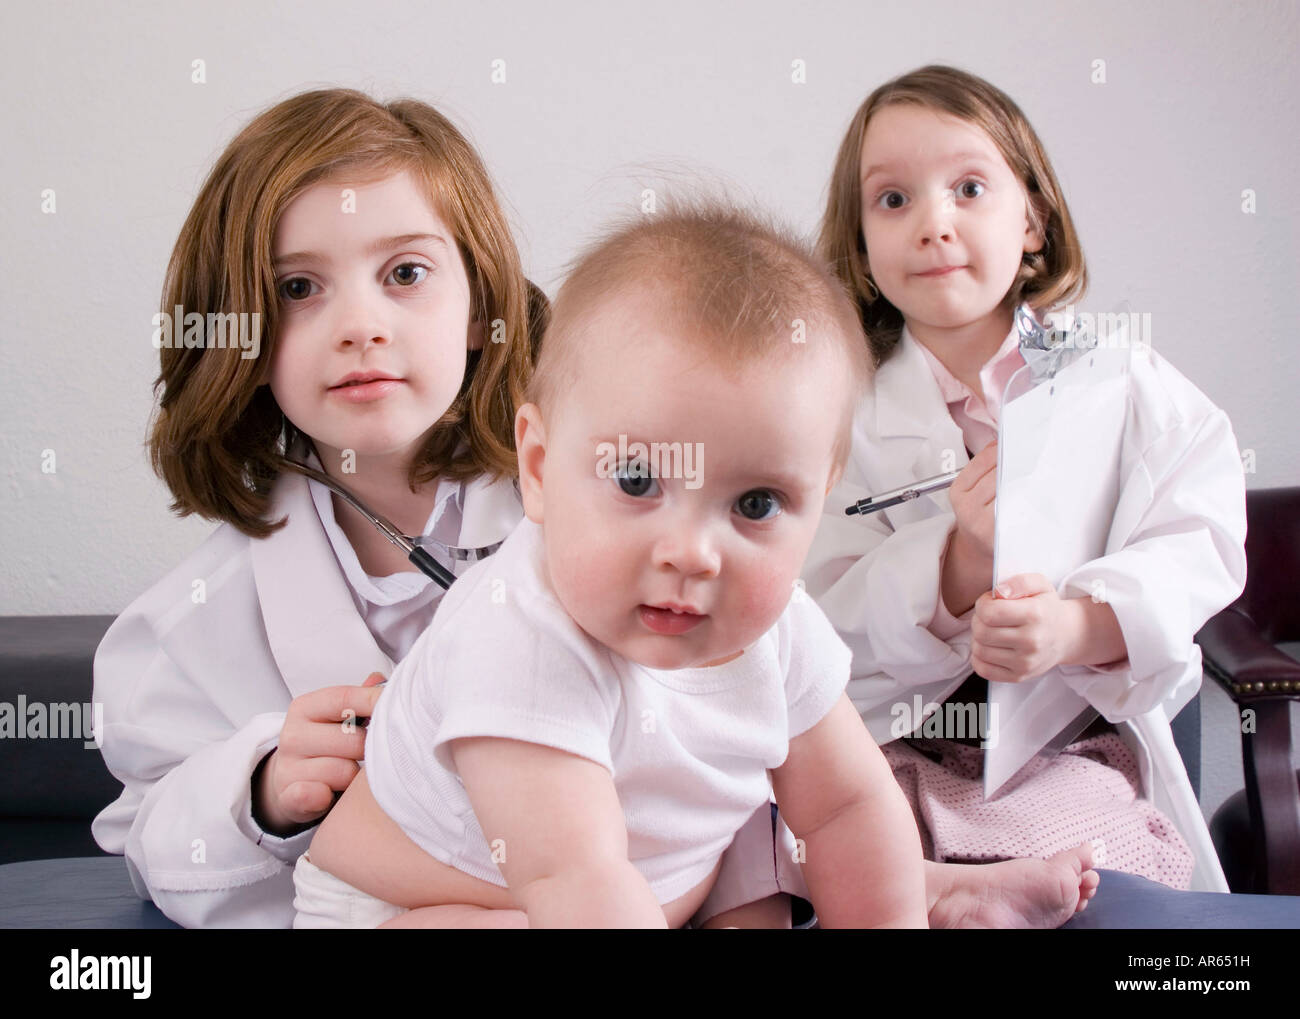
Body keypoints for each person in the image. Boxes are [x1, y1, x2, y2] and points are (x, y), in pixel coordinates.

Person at [292, 201, 939, 928]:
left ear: (820, 496)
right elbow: (579, 880)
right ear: (537, 468)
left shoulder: (781, 625)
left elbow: (848, 805)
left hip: (653, 889)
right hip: (426, 904)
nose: (693, 553)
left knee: (773, 844)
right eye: (638, 481)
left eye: (755, 504)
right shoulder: (520, 637)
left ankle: (938, 893)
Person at [91, 88, 542, 928]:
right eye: (299, 288)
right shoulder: (196, 619)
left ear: (481, 307)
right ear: (244, 339)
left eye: (405, 274)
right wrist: (261, 789)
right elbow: (148, 839)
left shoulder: (589, 524)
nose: (359, 325)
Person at [803, 64, 1247, 894]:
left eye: (969, 188)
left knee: (1086, 839)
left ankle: (1008, 894)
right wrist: (958, 567)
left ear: (1034, 220)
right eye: (893, 201)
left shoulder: (1116, 374)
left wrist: (1077, 627)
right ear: (861, 244)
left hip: (1066, 750)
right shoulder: (835, 407)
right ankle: (963, 897)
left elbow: (1203, 530)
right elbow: (814, 605)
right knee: (856, 836)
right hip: (897, 745)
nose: (934, 224)